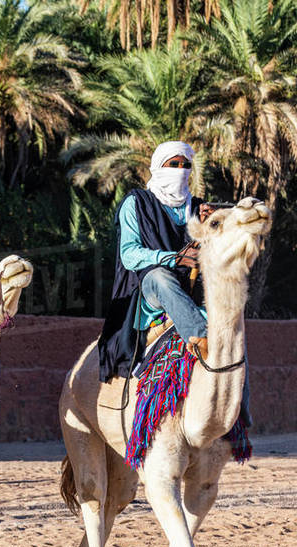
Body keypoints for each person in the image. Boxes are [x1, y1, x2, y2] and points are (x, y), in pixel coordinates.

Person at [97, 141, 250, 422]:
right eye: (173, 164)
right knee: (161, 277)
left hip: (191, 289)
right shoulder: (136, 202)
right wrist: (175, 258)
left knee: (233, 320)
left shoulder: (197, 206)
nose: (180, 171)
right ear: (158, 167)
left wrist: (212, 226)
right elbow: (129, 255)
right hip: (149, 289)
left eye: (185, 165)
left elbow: (212, 249)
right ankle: (199, 335)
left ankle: (240, 413)